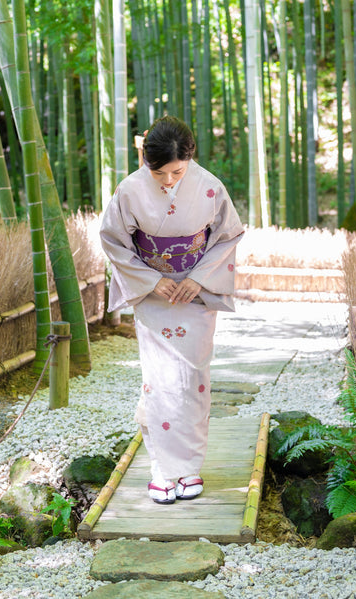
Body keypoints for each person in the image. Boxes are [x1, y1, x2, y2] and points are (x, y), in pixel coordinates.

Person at [99, 116, 245, 504]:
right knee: (159, 379)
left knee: (192, 380)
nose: (168, 180)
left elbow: (228, 235)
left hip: (194, 295)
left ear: (190, 159)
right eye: (159, 172)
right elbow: (113, 240)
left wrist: (197, 278)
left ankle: (190, 467)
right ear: (146, 161)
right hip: (154, 296)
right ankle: (162, 468)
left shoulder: (210, 188)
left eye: (177, 171)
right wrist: (150, 280)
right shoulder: (129, 190)